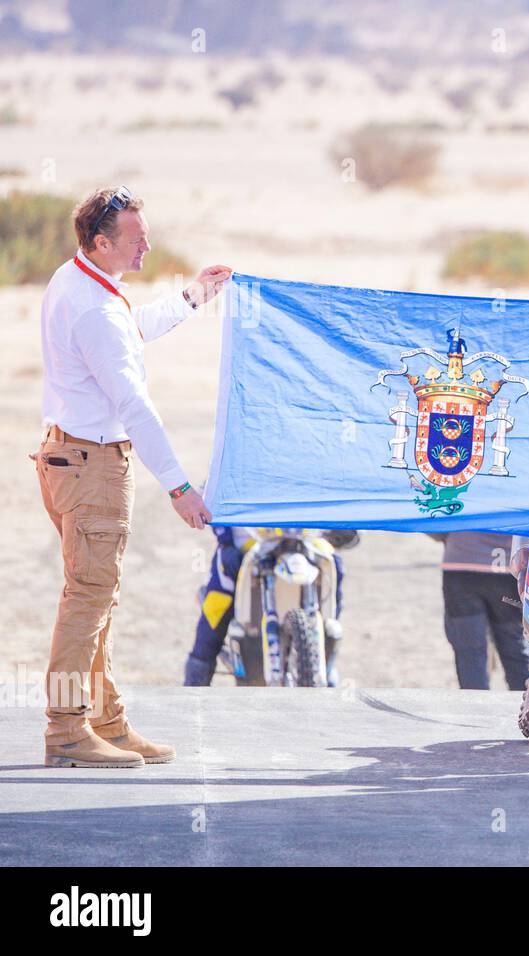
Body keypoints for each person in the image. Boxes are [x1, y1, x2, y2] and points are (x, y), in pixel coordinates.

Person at [37, 185, 230, 767]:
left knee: (95, 598)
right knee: (87, 602)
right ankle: (67, 732)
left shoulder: (84, 283)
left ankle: (107, 724)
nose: (147, 245)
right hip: (90, 468)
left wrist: (192, 298)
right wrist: (178, 486)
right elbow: (135, 404)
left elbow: (131, 329)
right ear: (101, 242)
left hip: (71, 461)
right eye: (136, 239)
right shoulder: (93, 307)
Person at [182, 526, 349, 687]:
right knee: (219, 599)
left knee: (334, 566)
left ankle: (326, 665)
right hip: (250, 537)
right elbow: (215, 498)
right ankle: (196, 683)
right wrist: (225, 538)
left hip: (305, 537)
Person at [439, 532, 529, 690]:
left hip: (461, 563)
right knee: (515, 647)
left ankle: (475, 708)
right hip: (508, 569)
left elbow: (436, 515)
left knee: (469, 650)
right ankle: (523, 708)